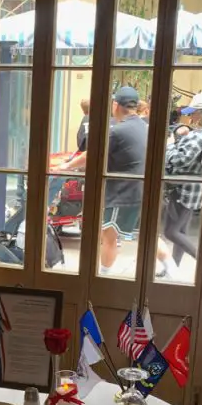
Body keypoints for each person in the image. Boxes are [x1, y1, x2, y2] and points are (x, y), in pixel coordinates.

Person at [69, 86, 147, 273]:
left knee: (109, 235)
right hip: (135, 189)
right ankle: (169, 267)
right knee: (109, 233)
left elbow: (92, 154)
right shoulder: (142, 126)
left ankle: (102, 277)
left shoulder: (119, 130)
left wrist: (65, 166)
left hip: (123, 191)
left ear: (116, 105)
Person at [156, 91, 202, 278]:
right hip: (193, 188)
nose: (191, 115)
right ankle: (173, 268)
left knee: (171, 232)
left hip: (183, 188)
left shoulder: (199, 135)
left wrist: (170, 145)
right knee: (180, 230)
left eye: (194, 112)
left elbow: (181, 160)